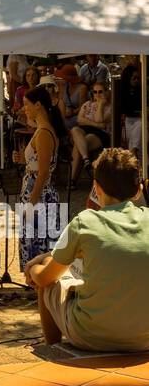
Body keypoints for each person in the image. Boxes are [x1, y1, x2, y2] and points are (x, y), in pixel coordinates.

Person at [27, 148, 149, 352]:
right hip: (144, 339)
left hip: (91, 335)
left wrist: (33, 268)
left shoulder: (83, 222)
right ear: (138, 190)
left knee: (48, 275)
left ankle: (54, 349)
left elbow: (44, 279)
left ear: (96, 188)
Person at [15, 84, 68, 269]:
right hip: (37, 193)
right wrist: (23, 160)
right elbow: (38, 164)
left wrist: (32, 201)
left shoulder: (44, 132)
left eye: (27, 104)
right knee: (35, 240)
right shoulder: (42, 129)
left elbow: (44, 172)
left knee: (38, 242)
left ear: (38, 105)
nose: (25, 109)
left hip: (40, 196)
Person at [71, 84, 112, 182]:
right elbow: (79, 120)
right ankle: (86, 159)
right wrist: (97, 125)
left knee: (79, 145)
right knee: (75, 130)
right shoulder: (87, 104)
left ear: (106, 92)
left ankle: (72, 179)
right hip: (85, 130)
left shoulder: (110, 107)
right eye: (95, 92)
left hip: (101, 133)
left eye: (100, 92)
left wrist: (101, 104)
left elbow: (99, 119)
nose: (97, 94)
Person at [119, 55, 142, 155]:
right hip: (129, 120)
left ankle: (132, 154)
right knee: (131, 143)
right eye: (134, 78)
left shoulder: (141, 91)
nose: (137, 80)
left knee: (137, 142)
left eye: (138, 78)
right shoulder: (123, 91)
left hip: (139, 120)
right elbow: (124, 109)